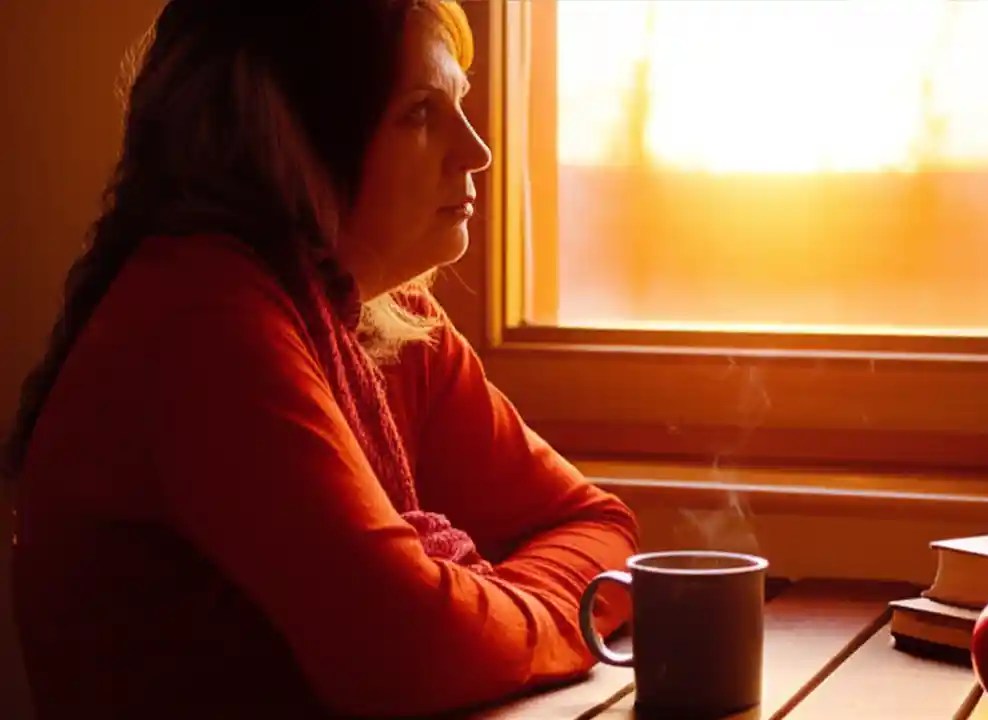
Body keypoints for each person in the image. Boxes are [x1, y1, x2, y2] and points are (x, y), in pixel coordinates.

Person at [5, 1, 637, 716]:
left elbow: (600, 528)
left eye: (458, 103)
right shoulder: (204, 325)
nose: (477, 150)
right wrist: (503, 617)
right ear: (287, 140)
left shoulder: (387, 321)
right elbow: (416, 654)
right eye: (421, 114)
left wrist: (481, 611)